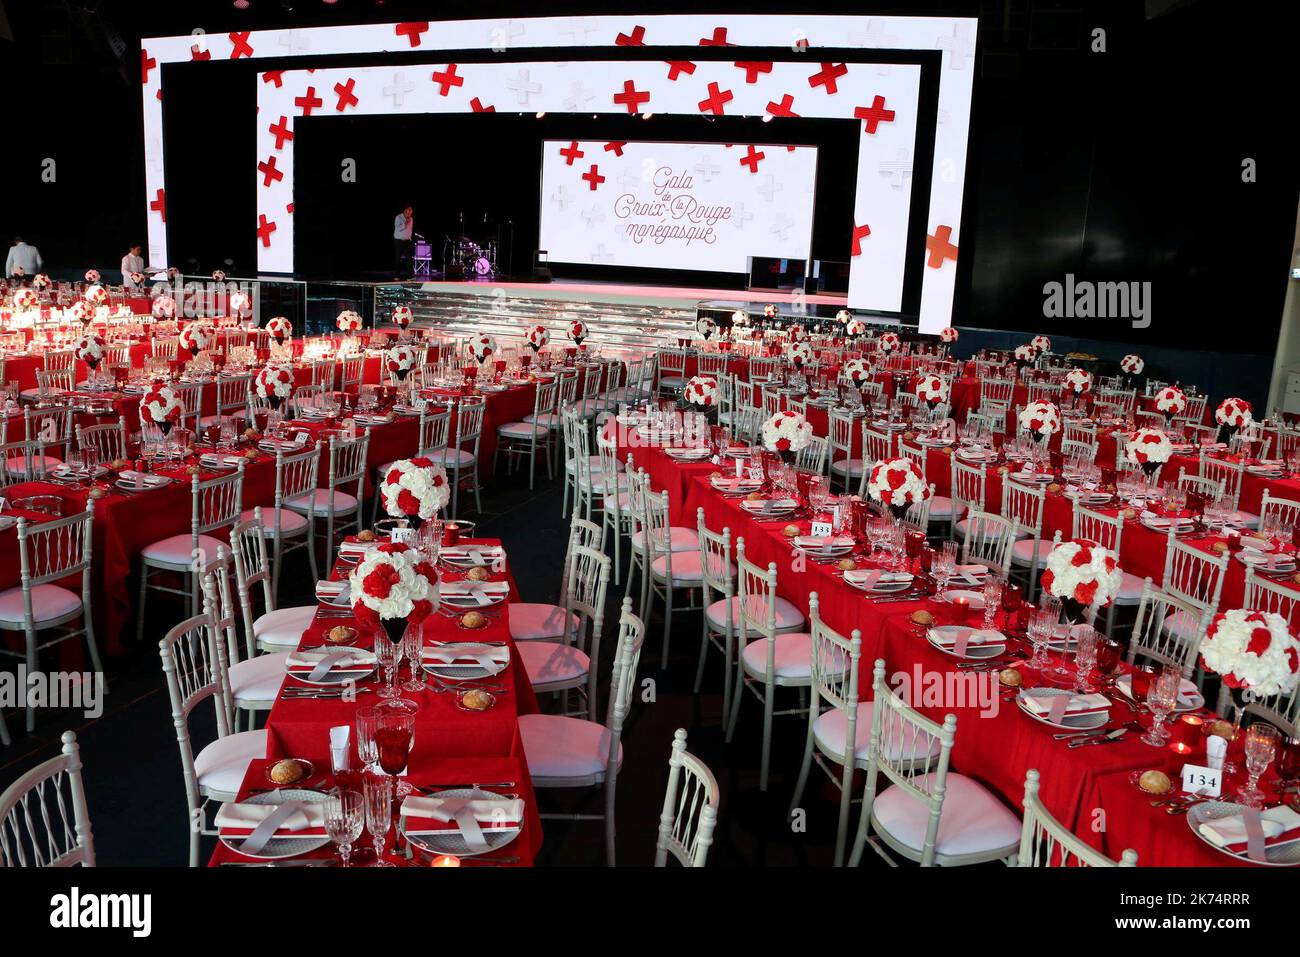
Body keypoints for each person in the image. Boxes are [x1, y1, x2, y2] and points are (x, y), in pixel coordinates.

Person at [393, 205, 414, 279]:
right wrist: (405, 222)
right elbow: (398, 228)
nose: (409, 215)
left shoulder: (411, 219)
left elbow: (410, 229)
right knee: (398, 259)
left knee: (409, 259)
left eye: (410, 213)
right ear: (405, 211)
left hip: (407, 241)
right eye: (408, 213)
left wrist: (410, 237)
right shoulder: (398, 217)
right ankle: (397, 275)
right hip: (398, 240)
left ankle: (409, 276)